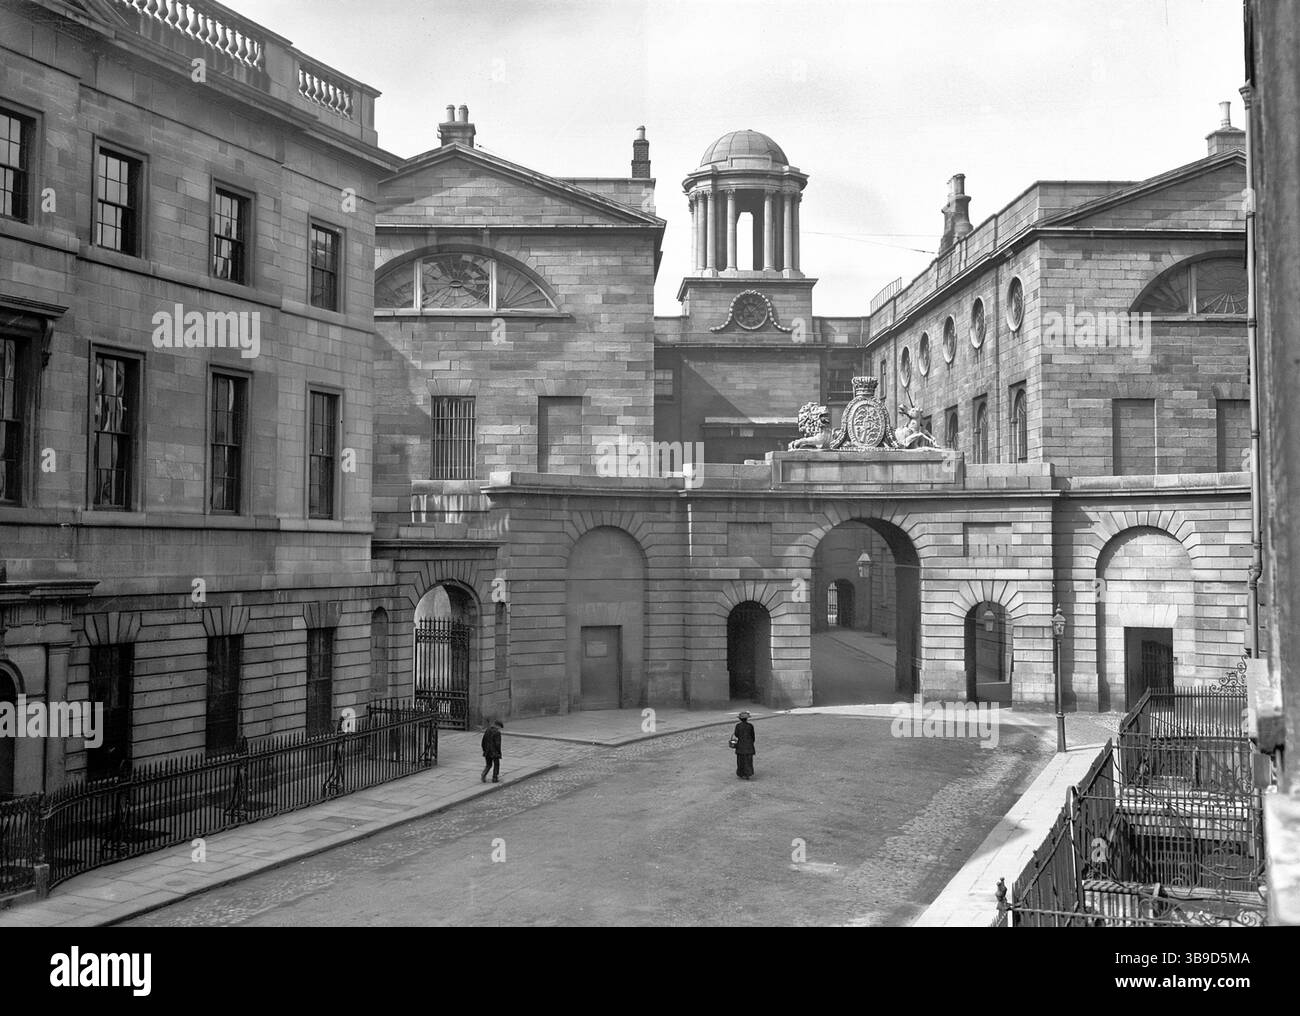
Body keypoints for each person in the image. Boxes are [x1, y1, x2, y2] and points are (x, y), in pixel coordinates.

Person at [733, 711, 756, 780]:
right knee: (748, 760)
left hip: (740, 745)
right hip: (749, 746)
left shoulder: (738, 726)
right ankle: (748, 773)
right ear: (747, 719)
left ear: (740, 719)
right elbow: (753, 736)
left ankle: (741, 773)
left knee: (740, 760)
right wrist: (751, 742)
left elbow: (736, 734)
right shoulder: (750, 726)